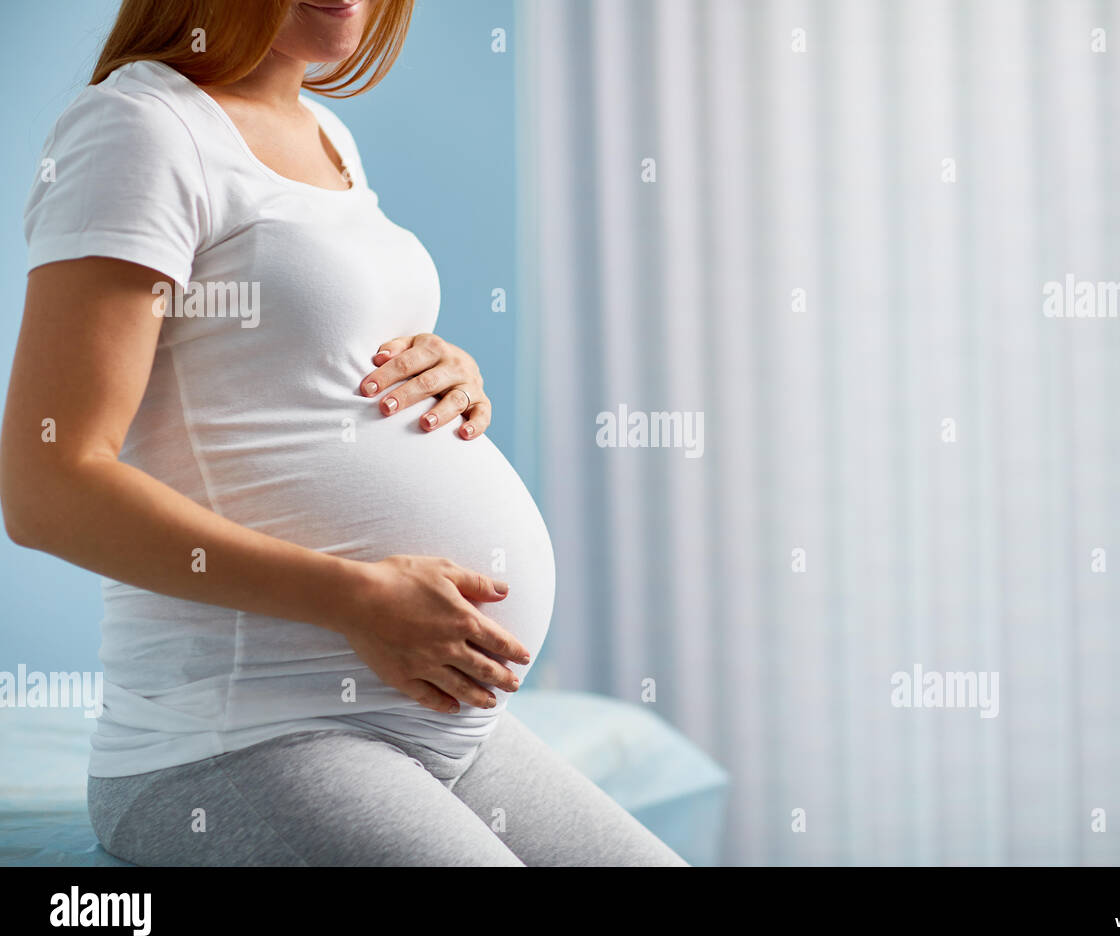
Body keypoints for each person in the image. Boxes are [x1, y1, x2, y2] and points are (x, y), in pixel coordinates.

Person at [0, 0, 685, 867]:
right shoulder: (140, 126)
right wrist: (357, 599)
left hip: (442, 730)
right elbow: (48, 486)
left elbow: (299, 369)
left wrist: (446, 370)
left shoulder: (325, 134)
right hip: (241, 741)